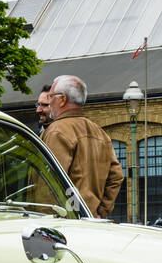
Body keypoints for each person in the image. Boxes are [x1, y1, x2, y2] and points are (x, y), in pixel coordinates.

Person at [40, 75, 124, 218]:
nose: (49, 102)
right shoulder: (100, 133)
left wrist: (45, 219)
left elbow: (48, 184)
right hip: (90, 221)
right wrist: (100, 212)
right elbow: (116, 176)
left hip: (63, 224)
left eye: (51, 97)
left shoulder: (57, 131)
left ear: (62, 99)